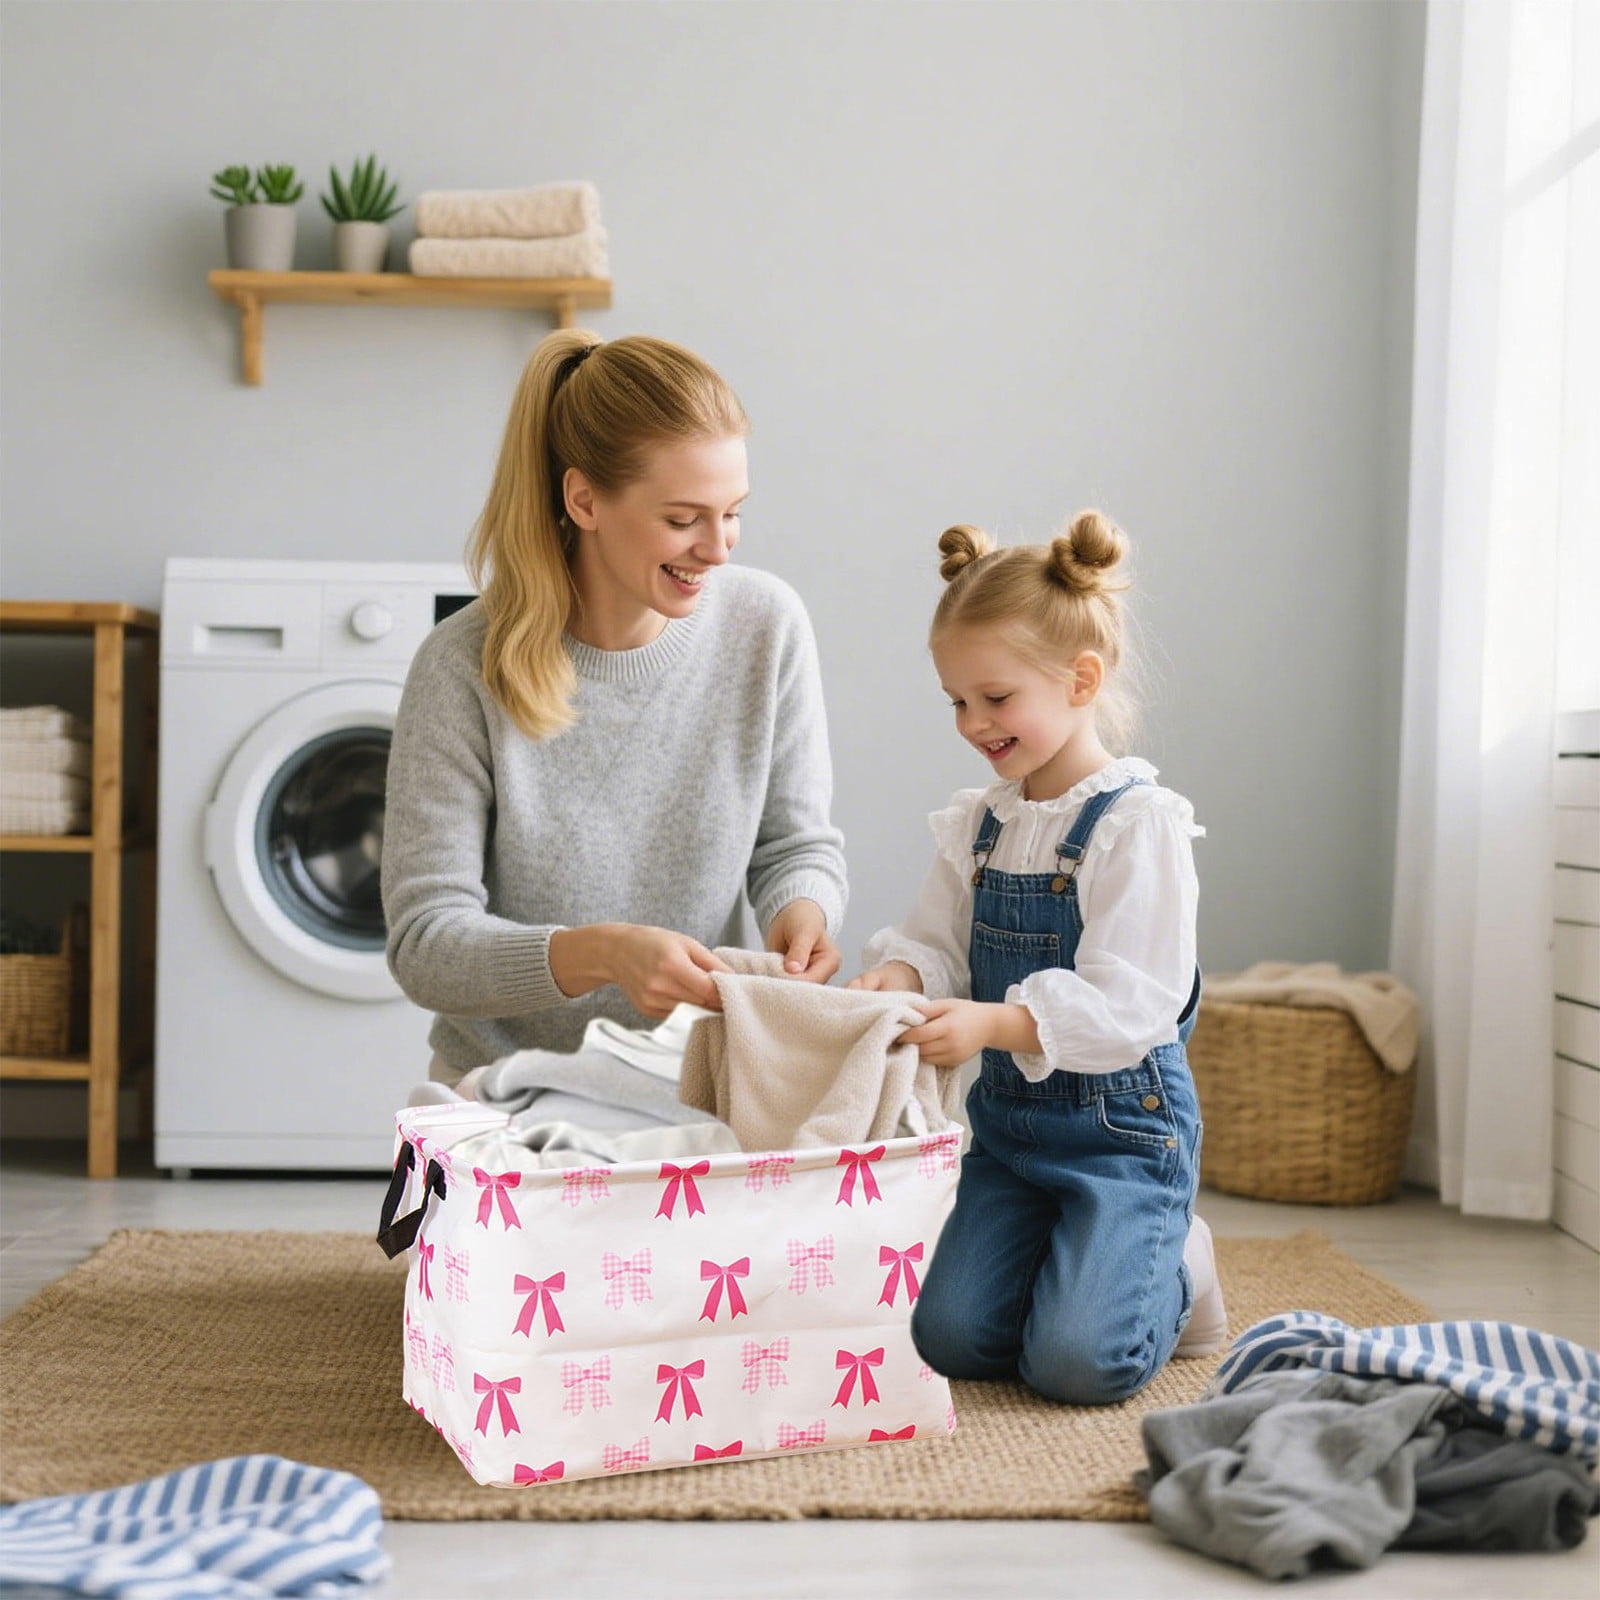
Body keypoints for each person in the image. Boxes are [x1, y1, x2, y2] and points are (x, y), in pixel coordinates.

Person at [382, 331, 847, 1085]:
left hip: (696, 1081)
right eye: (683, 518)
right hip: (503, 1093)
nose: (719, 548)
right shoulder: (460, 667)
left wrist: (803, 913)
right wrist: (601, 953)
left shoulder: (767, 625)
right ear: (585, 499)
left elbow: (795, 844)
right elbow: (427, 947)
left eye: (733, 513)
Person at [848, 510, 1226, 1406]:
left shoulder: (1138, 824)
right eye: (957, 702)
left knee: (1076, 1365)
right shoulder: (980, 822)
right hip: (1015, 1138)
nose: (974, 722)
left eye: (995, 697)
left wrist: (994, 1023)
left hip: (1122, 1136)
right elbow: (934, 940)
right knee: (952, 1339)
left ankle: (1185, 1266)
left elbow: (1135, 1005)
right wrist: (896, 981)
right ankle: (1071, 1261)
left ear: (1081, 678)